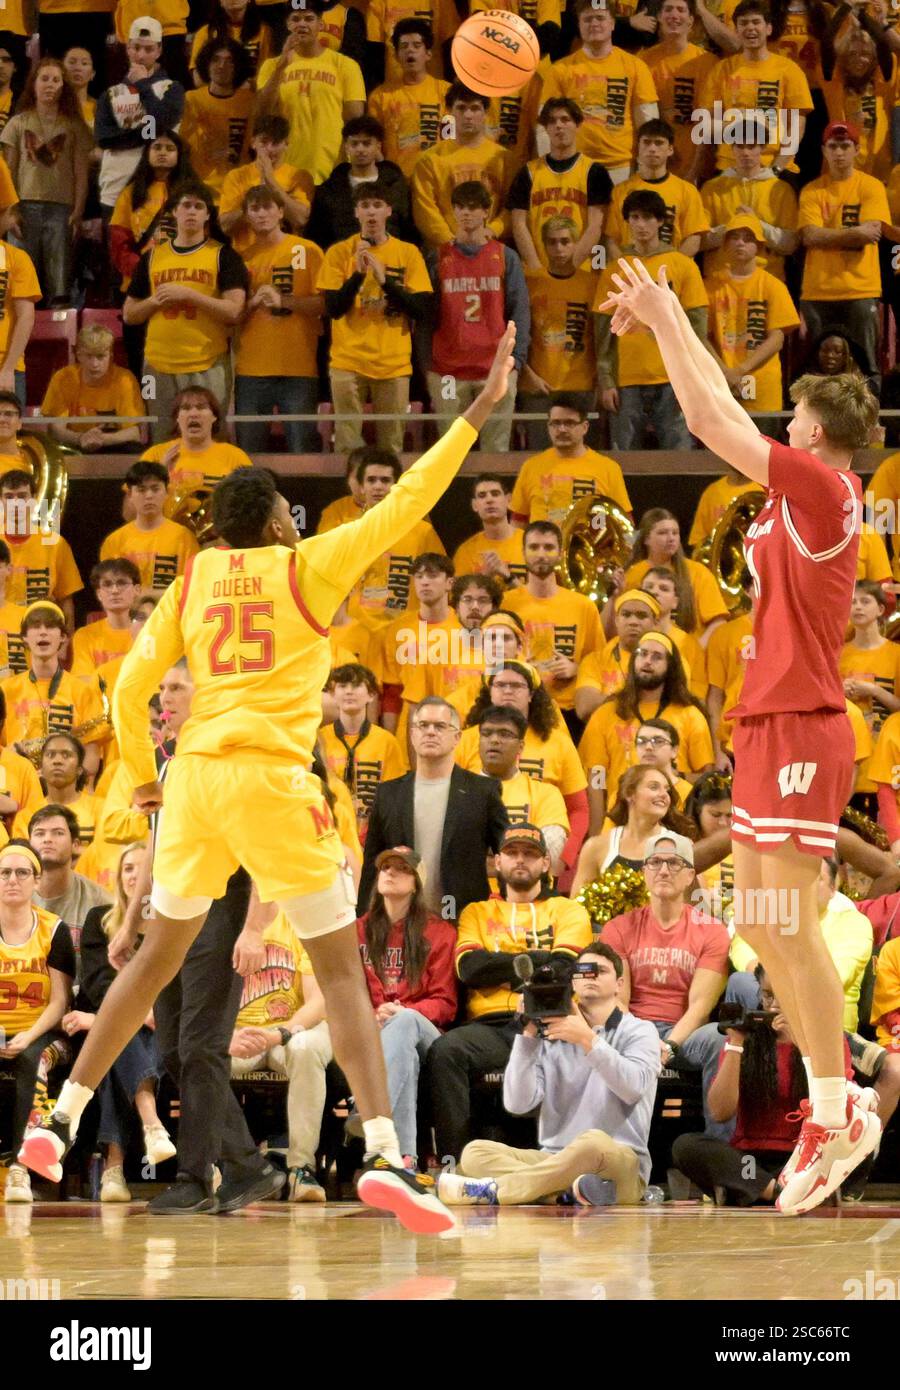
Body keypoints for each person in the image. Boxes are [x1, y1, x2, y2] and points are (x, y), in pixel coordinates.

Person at [19, 324, 519, 1236]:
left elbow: (130, 683)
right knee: (344, 971)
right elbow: (408, 500)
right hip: (274, 780)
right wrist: (476, 414)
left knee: (154, 958)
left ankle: (57, 1116)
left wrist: (139, 778)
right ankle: (382, 1152)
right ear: (280, 521)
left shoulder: (199, 575)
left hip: (197, 778)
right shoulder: (306, 565)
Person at [602, 238, 883, 1212]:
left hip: (807, 724)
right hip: (766, 725)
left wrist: (665, 307)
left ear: (818, 430)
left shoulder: (825, 485)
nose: (783, 423)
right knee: (768, 924)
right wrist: (667, 321)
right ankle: (832, 1103)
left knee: (791, 922)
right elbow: (716, 404)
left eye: (794, 414)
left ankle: (837, 1105)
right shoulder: (790, 495)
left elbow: (707, 412)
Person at [439, 941, 660, 1207]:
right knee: (476, 1153)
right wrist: (528, 1036)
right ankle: (565, 1193)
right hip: (554, 1159)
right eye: (583, 972)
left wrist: (588, 1040)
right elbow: (517, 1103)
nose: (589, 977)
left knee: (592, 1143)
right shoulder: (551, 1035)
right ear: (573, 983)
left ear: (619, 984)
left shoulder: (640, 1031)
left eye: (599, 971)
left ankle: (494, 1191)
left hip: (617, 1162)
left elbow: (633, 1087)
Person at [427, 823, 593, 1162]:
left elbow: (563, 968)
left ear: (546, 863)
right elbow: (470, 969)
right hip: (490, 1026)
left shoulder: (569, 910)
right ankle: (454, 1166)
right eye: (512, 853)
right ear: (497, 862)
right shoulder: (477, 911)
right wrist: (537, 960)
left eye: (530, 854)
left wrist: (501, 966)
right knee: (446, 1051)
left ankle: (571, 1162)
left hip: (552, 1024)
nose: (521, 860)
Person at [66, 842, 176, 1203]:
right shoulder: (100, 921)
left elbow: (175, 994)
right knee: (121, 1033)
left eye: (143, 869)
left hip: (145, 1028)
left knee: (122, 1036)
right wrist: (137, 1016)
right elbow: (102, 988)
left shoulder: (175, 928)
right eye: (128, 868)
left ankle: (115, 1165)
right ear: (118, 877)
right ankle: (151, 1122)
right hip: (112, 1026)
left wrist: (118, 1018)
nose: (135, 875)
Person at [672, 968, 828, 1206]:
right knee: (686, 1146)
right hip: (750, 1164)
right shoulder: (748, 1038)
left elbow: (837, 1104)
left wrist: (800, 1041)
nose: (774, 1005)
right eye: (767, 995)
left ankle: (764, 1190)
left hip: (803, 1157)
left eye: (783, 995)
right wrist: (735, 1044)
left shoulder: (824, 1039)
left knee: (861, 1141)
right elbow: (720, 1112)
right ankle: (778, 1193)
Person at [359, 694, 508, 920]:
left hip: (463, 920)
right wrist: (363, 920)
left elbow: (505, 855)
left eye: (440, 726)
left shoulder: (482, 791)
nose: (430, 732)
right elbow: (372, 865)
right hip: (399, 921)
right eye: (423, 725)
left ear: (457, 737)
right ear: (412, 734)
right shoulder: (388, 794)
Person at [354, 847, 457, 1166]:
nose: (390, 872)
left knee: (405, 1023)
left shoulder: (439, 932)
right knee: (403, 1057)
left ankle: (370, 1113)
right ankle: (403, 1158)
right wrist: (372, 1016)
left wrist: (405, 1013)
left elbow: (445, 1003)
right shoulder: (357, 930)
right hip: (373, 1033)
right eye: (385, 867)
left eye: (401, 868)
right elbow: (348, 991)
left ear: (416, 883)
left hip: (426, 1032)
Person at [123, 181, 249, 440]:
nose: (192, 211)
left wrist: (190, 295)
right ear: (173, 212)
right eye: (186, 205)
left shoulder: (223, 255)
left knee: (211, 437)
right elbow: (130, 314)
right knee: (162, 438)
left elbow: (235, 311)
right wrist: (155, 302)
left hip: (207, 362)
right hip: (157, 365)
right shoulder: (152, 257)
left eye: (198, 206)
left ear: (207, 215)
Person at [318, 179, 432, 456]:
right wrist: (357, 274)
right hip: (348, 363)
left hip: (392, 365)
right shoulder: (338, 253)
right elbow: (333, 308)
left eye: (377, 206)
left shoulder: (408, 253)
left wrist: (386, 283)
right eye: (365, 206)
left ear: (388, 211)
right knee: (346, 447)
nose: (371, 212)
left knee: (391, 447)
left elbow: (421, 309)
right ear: (355, 212)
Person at [229, 905, 333, 1203]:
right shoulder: (225, 924)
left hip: (292, 1030)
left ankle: (301, 1168)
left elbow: (319, 1001)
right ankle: (224, 1166)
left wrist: (280, 1033)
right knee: (204, 1056)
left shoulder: (299, 919)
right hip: (240, 1033)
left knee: (305, 1048)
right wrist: (224, 1037)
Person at [595, 190, 708, 450]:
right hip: (627, 379)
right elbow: (603, 331)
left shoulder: (683, 265)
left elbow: (697, 327)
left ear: (660, 221)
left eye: (647, 217)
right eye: (634, 217)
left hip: (674, 375)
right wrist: (606, 380)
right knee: (625, 459)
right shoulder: (615, 268)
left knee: (679, 456)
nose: (640, 225)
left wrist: (695, 375)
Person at [424, 181, 529, 454]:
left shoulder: (506, 257)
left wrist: (515, 360)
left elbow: (520, 311)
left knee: (496, 450)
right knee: (448, 453)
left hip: (494, 369)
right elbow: (423, 316)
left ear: (486, 212)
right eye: (459, 207)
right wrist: (428, 365)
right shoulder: (437, 258)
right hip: (447, 371)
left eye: (473, 207)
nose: (465, 214)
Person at [0, 840, 75, 1204]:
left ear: (36, 881)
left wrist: (28, 1035)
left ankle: (20, 1166)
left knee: (34, 1059)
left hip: (45, 1033)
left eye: (21, 872)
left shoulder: (53, 929)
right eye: (4, 872)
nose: (12, 880)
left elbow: (61, 1002)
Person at [579, 633, 715, 823]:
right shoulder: (607, 713)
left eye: (657, 657)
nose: (648, 661)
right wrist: (597, 828)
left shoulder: (690, 714)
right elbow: (596, 776)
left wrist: (676, 775)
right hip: (620, 818)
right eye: (642, 654)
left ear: (670, 666)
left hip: (676, 820)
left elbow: (705, 778)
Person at [797, 121, 889, 393]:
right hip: (818, 292)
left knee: (867, 367)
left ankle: (869, 432)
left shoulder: (871, 187)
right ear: (824, 150)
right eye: (833, 146)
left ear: (857, 149)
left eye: (845, 146)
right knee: (819, 368)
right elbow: (809, 237)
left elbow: (872, 233)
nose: (839, 152)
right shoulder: (812, 190)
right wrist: (853, 234)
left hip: (860, 289)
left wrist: (828, 235)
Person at [234, 184, 324, 455]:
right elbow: (229, 316)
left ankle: (302, 500)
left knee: (302, 456)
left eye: (267, 207)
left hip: (299, 368)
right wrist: (253, 302)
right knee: (249, 455)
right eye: (254, 208)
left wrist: (284, 301)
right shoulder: (239, 258)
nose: (261, 214)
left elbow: (326, 304)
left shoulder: (306, 250)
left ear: (281, 211)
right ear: (247, 215)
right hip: (251, 370)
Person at [1, 57, 92, 307]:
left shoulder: (73, 126)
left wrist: (78, 210)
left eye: (56, 79)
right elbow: (8, 170)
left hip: (61, 209)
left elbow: (81, 172)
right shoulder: (18, 123)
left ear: (64, 86)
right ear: (33, 84)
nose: (50, 85)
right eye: (44, 79)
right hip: (23, 208)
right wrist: (10, 209)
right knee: (21, 280)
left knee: (59, 280)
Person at [690, 0, 813, 184]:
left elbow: (796, 128)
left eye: (756, 22)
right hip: (729, 168)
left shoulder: (789, 70)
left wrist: (775, 169)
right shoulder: (721, 69)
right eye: (743, 23)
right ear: (737, 31)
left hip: (775, 168)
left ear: (769, 29)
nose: (750, 28)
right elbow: (705, 125)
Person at [540, 0, 659, 184]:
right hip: (573, 167)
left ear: (612, 24)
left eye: (600, 18)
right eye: (587, 19)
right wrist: (549, 166)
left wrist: (646, 167)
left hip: (620, 168)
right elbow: (544, 125)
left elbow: (648, 122)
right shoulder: (559, 70)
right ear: (578, 25)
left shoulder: (636, 67)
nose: (594, 24)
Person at [503, 521, 604, 737]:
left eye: (548, 547)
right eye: (534, 547)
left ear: (560, 553)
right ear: (523, 553)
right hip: (518, 709)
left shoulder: (583, 605)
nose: (541, 554)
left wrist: (576, 669)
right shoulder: (505, 604)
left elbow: (598, 662)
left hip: (569, 711)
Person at [704, 212, 800, 424]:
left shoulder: (773, 286)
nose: (740, 243)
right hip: (720, 382)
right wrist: (724, 372)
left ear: (759, 246)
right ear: (725, 243)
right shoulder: (709, 286)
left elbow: (777, 338)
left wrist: (739, 371)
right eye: (734, 237)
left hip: (762, 385)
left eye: (748, 239)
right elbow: (702, 336)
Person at [255, 0, 365, 185]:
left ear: (320, 24)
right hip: (284, 169)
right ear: (288, 24)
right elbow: (262, 112)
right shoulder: (271, 66)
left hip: (332, 168)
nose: (302, 24)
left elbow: (355, 115)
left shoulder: (345, 65)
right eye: (296, 19)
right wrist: (281, 66)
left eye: (309, 18)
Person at [518, 219, 601, 450]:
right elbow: (517, 333)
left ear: (576, 243)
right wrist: (527, 373)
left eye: (565, 242)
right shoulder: (530, 281)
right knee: (540, 459)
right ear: (543, 246)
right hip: (537, 386)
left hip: (581, 384)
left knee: (581, 460)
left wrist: (602, 380)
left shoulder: (592, 283)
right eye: (552, 243)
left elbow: (602, 338)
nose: (559, 249)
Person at [2, 603, 108, 779]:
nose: (43, 632)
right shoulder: (5, 690)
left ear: (63, 638)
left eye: (50, 626)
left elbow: (91, 756)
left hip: (66, 788)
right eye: (36, 627)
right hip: (17, 784)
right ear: (24, 638)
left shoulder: (82, 691)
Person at [508, 97, 612, 275]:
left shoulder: (594, 172)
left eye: (565, 119)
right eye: (552, 121)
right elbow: (518, 224)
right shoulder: (528, 172)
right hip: (539, 270)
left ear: (577, 125)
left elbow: (596, 227)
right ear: (546, 128)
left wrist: (570, 267)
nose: (559, 125)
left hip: (582, 271)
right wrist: (535, 267)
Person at [94, 15, 186, 214]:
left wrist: (142, 85)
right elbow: (104, 138)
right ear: (127, 48)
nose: (141, 55)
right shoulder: (111, 94)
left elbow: (161, 123)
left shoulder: (172, 89)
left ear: (159, 50)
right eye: (136, 48)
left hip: (156, 191)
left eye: (148, 49)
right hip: (115, 191)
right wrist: (146, 134)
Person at [344, 450, 444, 627]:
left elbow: (441, 585)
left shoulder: (422, 532)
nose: (378, 486)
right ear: (361, 487)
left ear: (397, 486)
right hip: (358, 631)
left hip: (406, 633)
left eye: (385, 480)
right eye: (371, 480)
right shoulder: (347, 534)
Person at [410, 83, 515, 248]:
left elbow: (512, 206)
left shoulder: (503, 158)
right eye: (461, 108)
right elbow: (425, 212)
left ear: (486, 112)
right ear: (450, 111)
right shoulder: (429, 160)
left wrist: (493, 230)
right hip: (444, 252)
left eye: (475, 108)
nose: (468, 115)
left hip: (492, 250)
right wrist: (450, 241)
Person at [476, 705, 571, 878]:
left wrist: (488, 856)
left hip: (527, 899)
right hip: (471, 898)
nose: (494, 740)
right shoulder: (459, 791)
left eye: (505, 734)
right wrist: (518, 855)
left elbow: (549, 856)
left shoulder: (546, 794)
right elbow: (450, 857)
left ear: (520, 747)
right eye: (487, 733)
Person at [699, 121, 799, 284]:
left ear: (763, 148)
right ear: (732, 148)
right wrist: (733, 226)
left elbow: (790, 243)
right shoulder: (712, 188)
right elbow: (699, 241)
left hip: (768, 280)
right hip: (719, 281)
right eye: (739, 146)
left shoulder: (780, 189)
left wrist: (756, 225)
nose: (745, 152)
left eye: (751, 146)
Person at [510, 395, 631, 529]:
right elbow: (518, 522)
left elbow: (624, 523)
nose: (562, 429)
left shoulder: (608, 468)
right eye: (556, 423)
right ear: (548, 427)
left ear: (585, 427)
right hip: (543, 548)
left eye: (569, 423)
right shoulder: (531, 466)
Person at [573, 762, 692, 894]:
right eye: (654, 787)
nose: (664, 794)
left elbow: (695, 906)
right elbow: (576, 908)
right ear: (630, 794)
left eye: (667, 790)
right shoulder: (596, 847)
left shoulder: (682, 846)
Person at [604, 118, 710, 260]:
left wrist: (670, 268)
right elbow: (612, 239)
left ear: (670, 149)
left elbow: (693, 239)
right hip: (632, 274)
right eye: (647, 142)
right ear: (638, 147)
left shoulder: (687, 191)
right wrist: (628, 270)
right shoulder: (620, 191)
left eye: (659, 143)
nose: (652, 148)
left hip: (670, 275)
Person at [319, 663, 406, 833]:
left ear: (372, 695)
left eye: (357, 685)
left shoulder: (386, 742)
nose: (349, 691)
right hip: (331, 830)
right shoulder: (320, 739)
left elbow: (394, 798)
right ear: (331, 694)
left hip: (374, 832)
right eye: (342, 686)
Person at [307, 114, 413, 251]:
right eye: (355, 143)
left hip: (391, 261)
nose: (360, 149)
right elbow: (317, 236)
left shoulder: (396, 184)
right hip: (343, 263)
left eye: (367, 143)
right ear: (346, 147)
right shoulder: (329, 190)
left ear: (378, 146)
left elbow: (408, 230)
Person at [625, 508, 729, 642]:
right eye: (662, 533)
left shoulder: (698, 572)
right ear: (646, 539)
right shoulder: (634, 574)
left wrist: (695, 650)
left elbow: (718, 622)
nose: (671, 538)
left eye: (675, 533)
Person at [218, 113, 313, 257]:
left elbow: (300, 219)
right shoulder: (236, 176)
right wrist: (253, 200)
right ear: (253, 142)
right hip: (246, 257)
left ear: (286, 144)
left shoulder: (299, 176)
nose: (269, 149)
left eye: (275, 143)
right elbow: (225, 226)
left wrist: (270, 180)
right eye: (264, 142)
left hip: (287, 257)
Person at [40, 324, 145, 454]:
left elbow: (134, 433)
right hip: (75, 441)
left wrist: (101, 439)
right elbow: (55, 429)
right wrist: (81, 438)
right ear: (79, 355)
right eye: (89, 356)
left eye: (100, 356)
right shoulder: (63, 378)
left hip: (113, 442)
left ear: (110, 356)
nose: (94, 364)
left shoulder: (125, 379)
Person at [100, 460, 199, 593]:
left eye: (155, 489)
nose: (149, 496)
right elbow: (110, 592)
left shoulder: (184, 537)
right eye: (141, 490)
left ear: (167, 492)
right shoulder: (115, 541)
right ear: (130, 495)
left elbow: (192, 587)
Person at [367, 19, 449, 179]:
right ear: (396, 56)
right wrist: (387, 175)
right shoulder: (379, 96)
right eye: (404, 46)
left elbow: (451, 138)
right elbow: (374, 142)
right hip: (396, 182)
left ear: (428, 54)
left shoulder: (446, 92)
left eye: (417, 46)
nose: (410, 51)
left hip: (436, 178)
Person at [643, 0, 718, 175]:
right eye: (668, 9)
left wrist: (696, 169)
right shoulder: (644, 61)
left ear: (691, 20)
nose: (674, 15)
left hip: (698, 161)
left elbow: (709, 123)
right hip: (656, 160)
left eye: (681, 10)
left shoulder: (708, 63)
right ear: (659, 17)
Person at [30, 804, 111, 964]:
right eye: (39, 833)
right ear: (29, 843)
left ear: (76, 844)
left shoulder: (101, 901)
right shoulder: (9, 898)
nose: (47, 839)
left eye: (58, 833)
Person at [0, 473, 83, 627]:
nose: (16, 503)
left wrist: (65, 644)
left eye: (22, 496)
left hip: (43, 632)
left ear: (34, 499)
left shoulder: (55, 544)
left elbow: (66, 600)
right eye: (9, 497)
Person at [179, 39, 255, 196]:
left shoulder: (250, 101)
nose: (221, 66)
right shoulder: (191, 99)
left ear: (238, 67)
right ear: (206, 64)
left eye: (230, 62)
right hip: (200, 190)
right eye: (215, 60)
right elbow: (181, 147)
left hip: (240, 190)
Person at [575, 588, 662, 723]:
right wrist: (639, 698)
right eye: (626, 615)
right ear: (616, 620)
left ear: (656, 623)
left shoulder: (671, 661)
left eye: (641, 615)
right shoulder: (594, 660)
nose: (633, 622)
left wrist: (609, 699)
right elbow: (585, 708)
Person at [15, 734, 98, 848]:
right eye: (50, 755)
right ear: (41, 770)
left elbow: (104, 856)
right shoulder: (25, 817)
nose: (57, 761)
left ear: (79, 770)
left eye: (66, 755)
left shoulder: (100, 809)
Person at [452, 474, 525, 586]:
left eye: (495, 494)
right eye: (482, 496)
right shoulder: (466, 551)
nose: (489, 500)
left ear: (509, 500)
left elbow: (540, 597)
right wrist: (485, 574)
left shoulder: (529, 544)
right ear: (474, 505)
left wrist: (508, 577)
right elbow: (456, 598)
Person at [71, 559, 140, 676]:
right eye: (107, 584)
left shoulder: (150, 633)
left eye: (122, 583)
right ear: (99, 594)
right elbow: (82, 682)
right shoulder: (85, 635)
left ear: (137, 590)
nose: (114, 590)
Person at [0, 240, 40, 407]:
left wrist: (8, 370)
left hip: (4, 367)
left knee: (7, 432)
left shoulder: (15, 257)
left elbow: (26, 317)